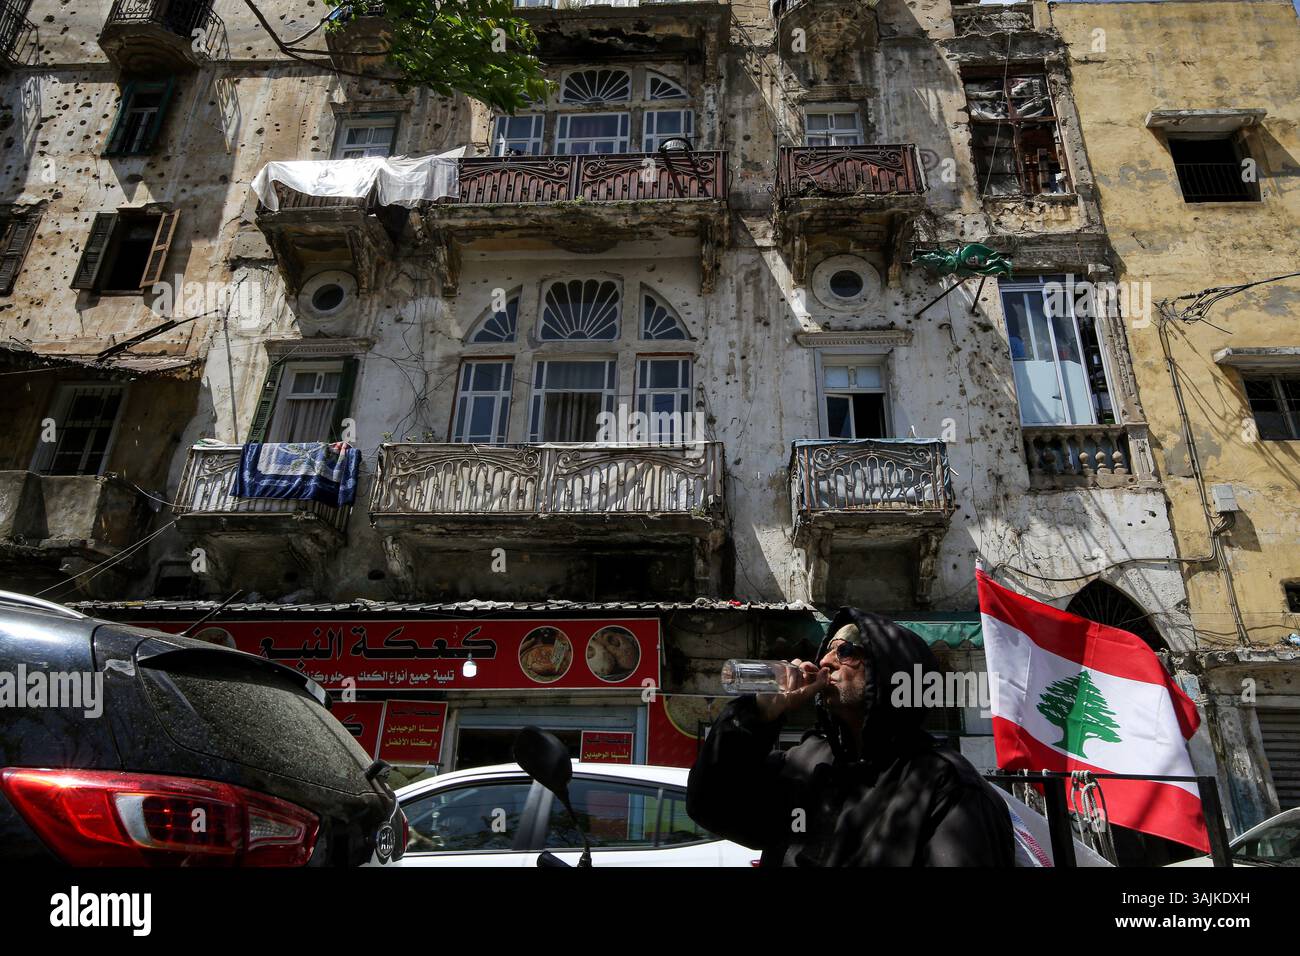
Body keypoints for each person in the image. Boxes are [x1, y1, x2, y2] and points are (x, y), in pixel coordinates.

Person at [687, 607, 1015, 866]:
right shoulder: (807, 760)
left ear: (890, 671)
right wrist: (755, 716)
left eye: (845, 651)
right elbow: (711, 805)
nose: (825, 661)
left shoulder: (946, 785)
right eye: (828, 650)